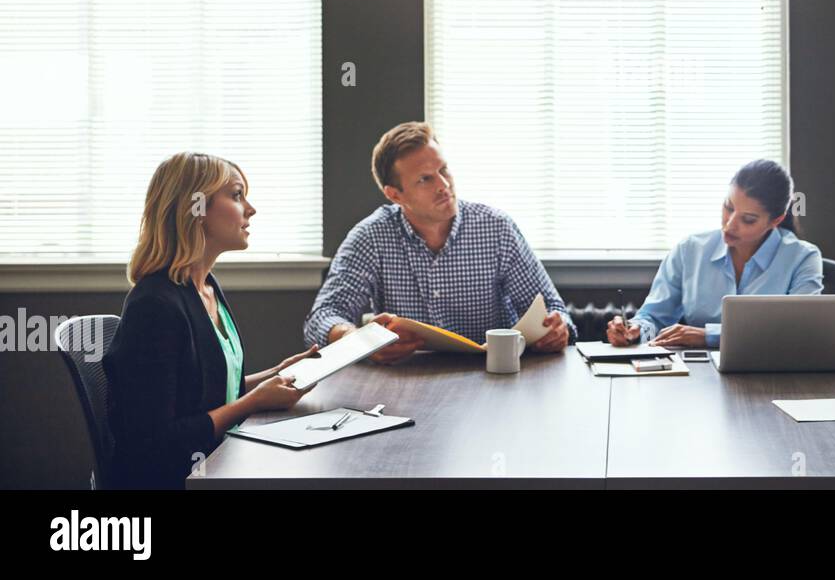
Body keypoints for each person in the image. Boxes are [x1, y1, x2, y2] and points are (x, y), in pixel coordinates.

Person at [105, 153, 320, 489]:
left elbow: (206, 391)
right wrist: (253, 401)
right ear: (196, 210)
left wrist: (277, 373)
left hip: (218, 463)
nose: (250, 209)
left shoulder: (205, 287)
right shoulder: (155, 306)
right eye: (236, 195)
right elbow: (155, 439)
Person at [304, 122, 574, 361]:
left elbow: (554, 310)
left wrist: (556, 328)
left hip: (494, 376)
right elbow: (322, 318)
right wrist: (362, 342)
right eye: (425, 179)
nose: (444, 185)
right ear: (395, 194)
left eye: (444, 169)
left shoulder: (496, 228)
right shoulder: (371, 237)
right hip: (411, 384)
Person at [607, 159, 823, 349]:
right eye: (728, 207)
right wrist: (634, 330)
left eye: (747, 219)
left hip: (772, 377)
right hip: (697, 376)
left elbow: (798, 332)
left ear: (775, 221)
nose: (730, 225)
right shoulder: (690, 250)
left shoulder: (802, 258)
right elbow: (654, 316)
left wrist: (709, 336)